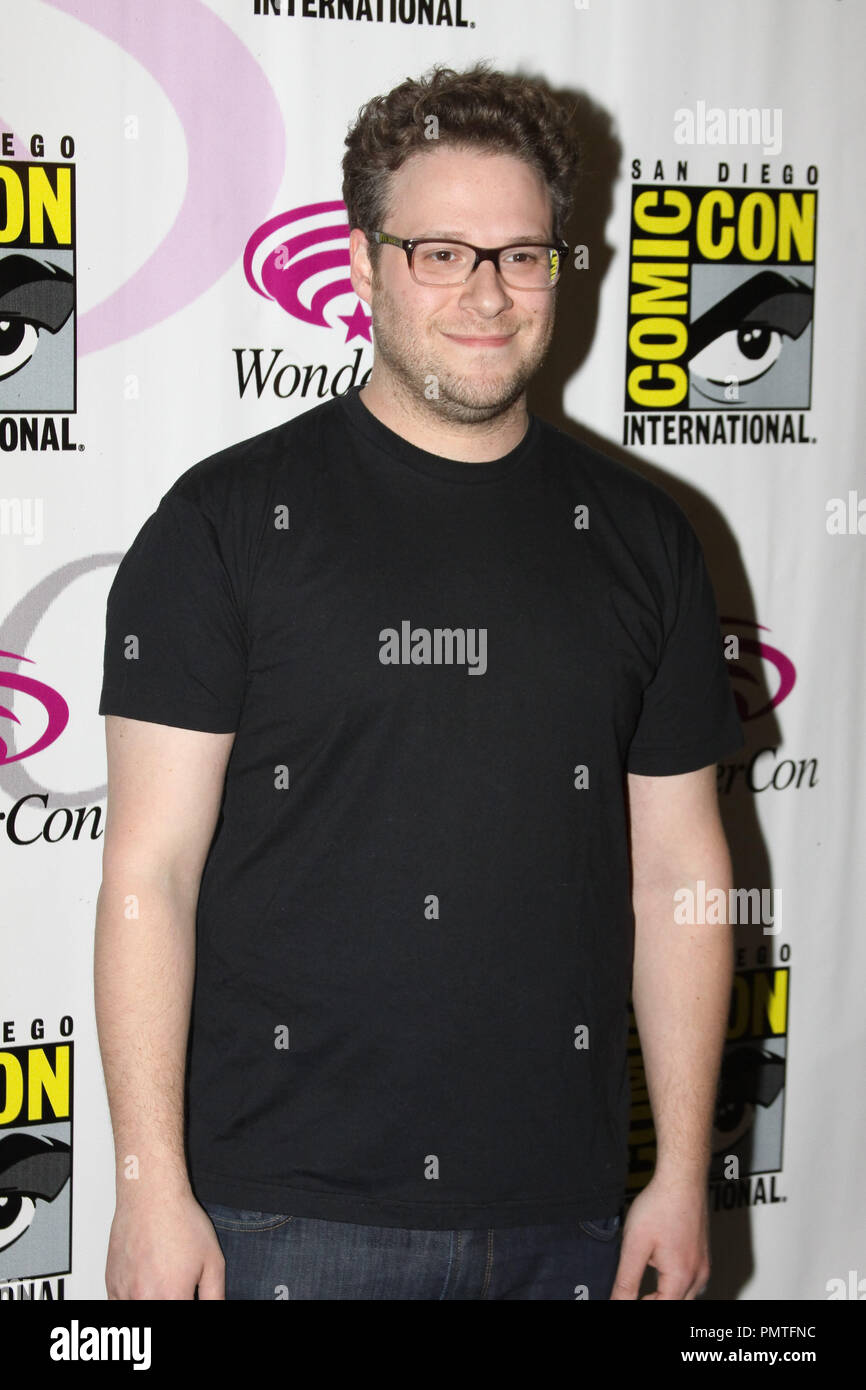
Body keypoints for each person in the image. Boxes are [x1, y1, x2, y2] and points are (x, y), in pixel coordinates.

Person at [95, 61, 743, 1302]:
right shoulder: (224, 525)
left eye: (521, 254)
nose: (487, 295)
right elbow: (148, 876)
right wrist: (145, 1184)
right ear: (359, 262)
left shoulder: (642, 541)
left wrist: (670, 1174)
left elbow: (679, 875)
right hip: (274, 1218)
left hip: (565, 1215)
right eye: (440, 252)